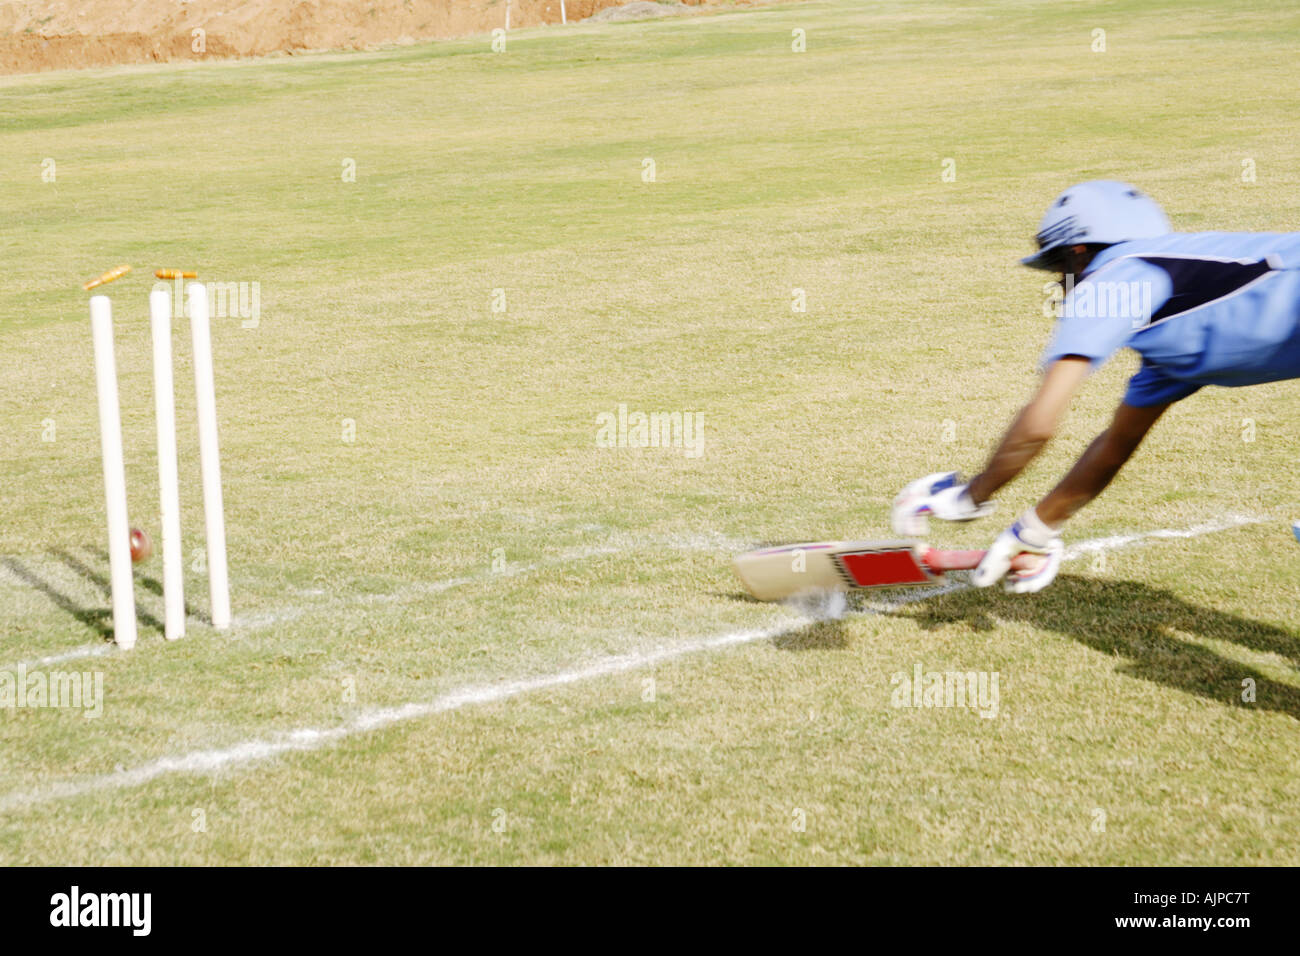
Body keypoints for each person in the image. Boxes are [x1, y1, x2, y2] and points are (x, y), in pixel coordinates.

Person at [891, 180, 1300, 592]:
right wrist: (1032, 532)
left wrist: (970, 497)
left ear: (1079, 252)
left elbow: (1039, 424)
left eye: (1057, 266)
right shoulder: (1168, 352)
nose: (1060, 283)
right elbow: (1113, 448)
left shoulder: (1116, 275)